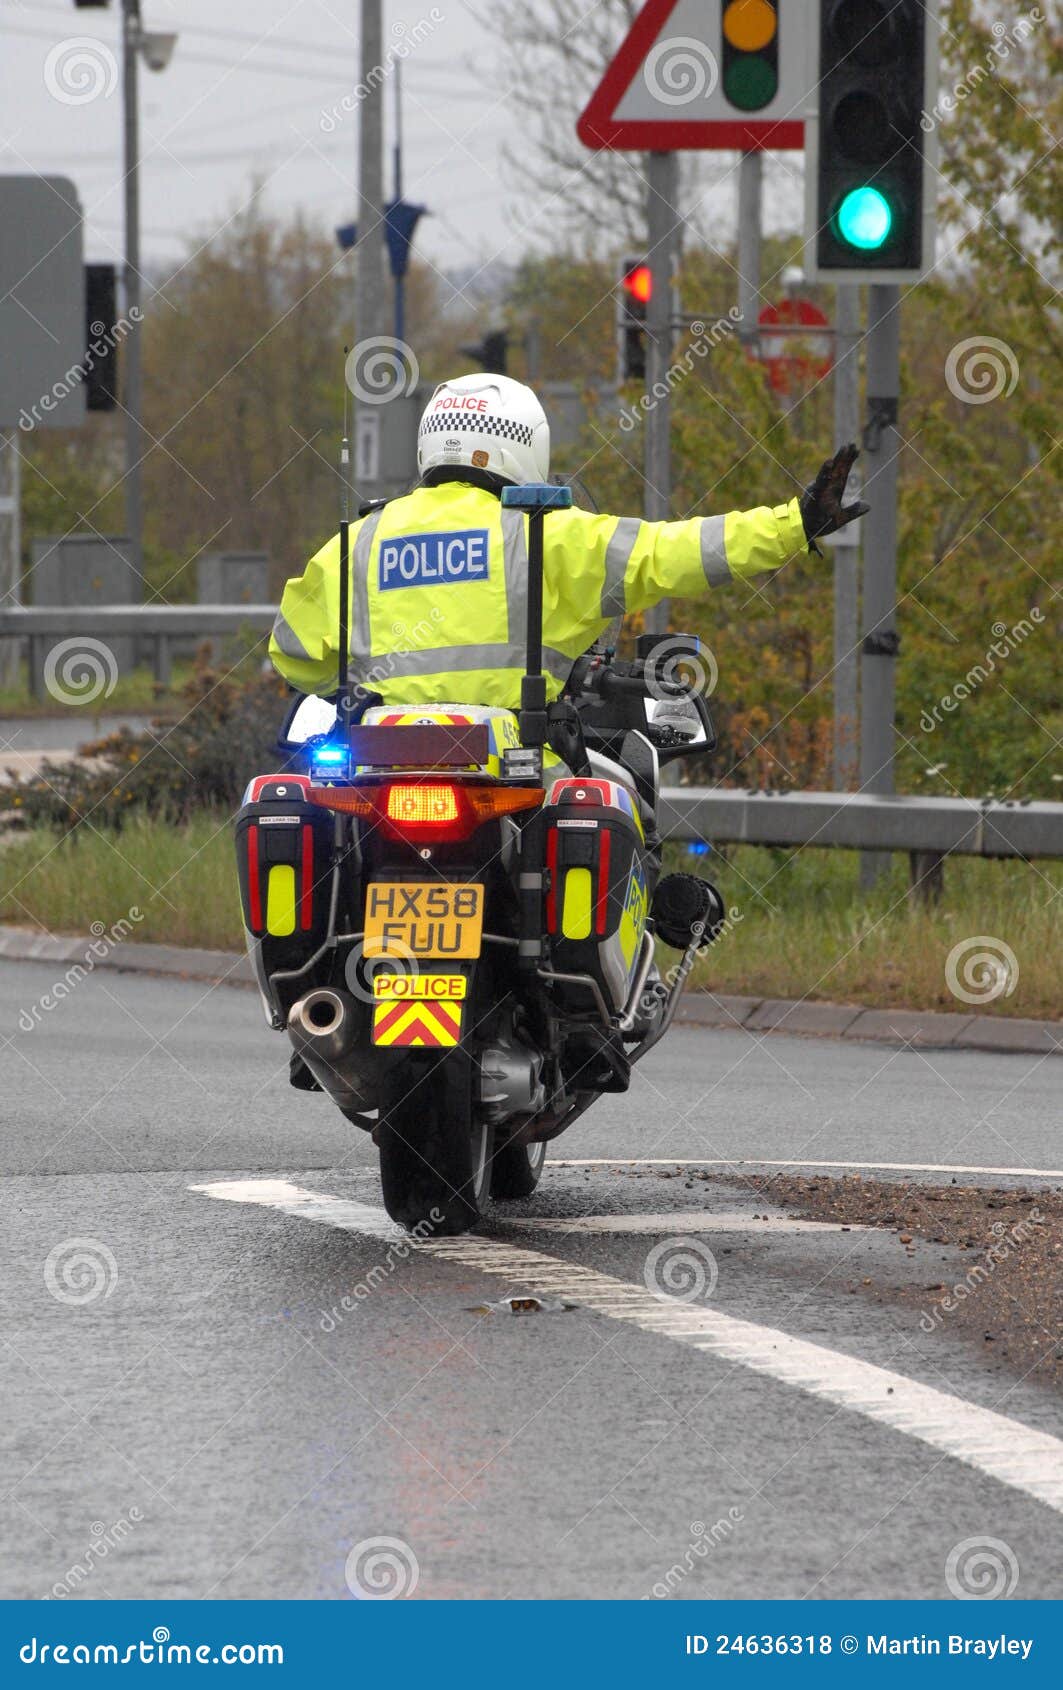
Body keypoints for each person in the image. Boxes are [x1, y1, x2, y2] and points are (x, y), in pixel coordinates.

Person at [269, 373, 867, 706]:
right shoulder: (545, 531)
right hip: (514, 770)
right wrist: (796, 523)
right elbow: (682, 552)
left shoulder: (362, 538)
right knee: (605, 815)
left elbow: (293, 652)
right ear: (525, 446)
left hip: (383, 771)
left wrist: (363, 696)